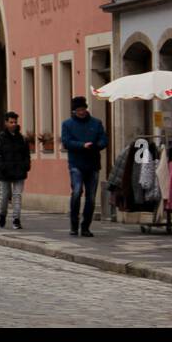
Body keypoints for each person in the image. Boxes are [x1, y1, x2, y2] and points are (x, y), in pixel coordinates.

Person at [60, 95, 108, 237]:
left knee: (91, 197)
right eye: (78, 110)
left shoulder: (96, 123)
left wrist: (96, 145)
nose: (81, 112)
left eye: (83, 109)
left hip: (93, 163)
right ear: (74, 111)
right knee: (76, 192)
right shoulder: (67, 124)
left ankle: (86, 226)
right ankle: (74, 225)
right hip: (76, 163)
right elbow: (66, 142)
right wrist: (82, 145)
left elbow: (104, 139)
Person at [0, 111, 30, 229]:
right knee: (4, 196)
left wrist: (26, 165)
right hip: (4, 172)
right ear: (6, 123)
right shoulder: (0, 139)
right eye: (11, 122)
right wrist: (2, 167)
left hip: (19, 171)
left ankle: (16, 219)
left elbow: (26, 155)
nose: (13, 124)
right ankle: (2, 214)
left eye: (15, 122)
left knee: (17, 195)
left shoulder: (22, 139)